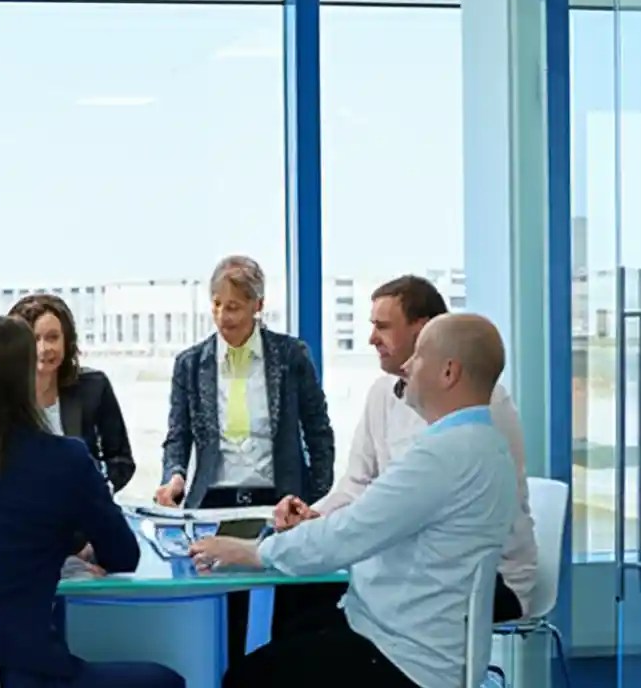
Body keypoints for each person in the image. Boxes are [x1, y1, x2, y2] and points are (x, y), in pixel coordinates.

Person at [191, 313, 519, 688]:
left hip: (403, 656)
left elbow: (353, 531)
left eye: (420, 355)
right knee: (297, 626)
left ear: (449, 372)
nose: (407, 364)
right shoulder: (487, 446)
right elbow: (374, 524)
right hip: (422, 642)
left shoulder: (444, 455)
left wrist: (252, 551)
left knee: (246, 677)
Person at [271, 275, 537, 637]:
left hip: (480, 577)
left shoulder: (477, 406)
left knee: (315, 600)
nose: (371, 339)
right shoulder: (383, 392)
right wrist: (316, 517)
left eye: (383, 327)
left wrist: (329, 536)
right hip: (413, 560)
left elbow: (409, 510)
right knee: (299, 600)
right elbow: (358, 484)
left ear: (425, 330)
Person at [0, 316, 184, 688]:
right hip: (31, 670)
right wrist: (73, 544)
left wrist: (55, 540)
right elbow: (123, 556)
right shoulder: (65, 458)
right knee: (166, 681)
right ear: (23, 380)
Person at [153, 254, 335, 665]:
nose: (223, 315)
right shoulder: (190, 363)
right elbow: (177, 436)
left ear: (258, 305)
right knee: (224, 617)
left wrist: (319, 501)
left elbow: (318, 431)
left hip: (279, 502)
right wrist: (175, 475)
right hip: (214, 505)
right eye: (216, 304)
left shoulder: (290, 357)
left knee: (292, 614)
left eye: (233, 306)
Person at [8, 293, 135, 493]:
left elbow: (121, 460)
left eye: (52, 337)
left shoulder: (94, 386)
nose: (44, 348)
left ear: (67, 341)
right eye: (34, 339)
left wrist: (99, 490)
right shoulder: (0, 394)